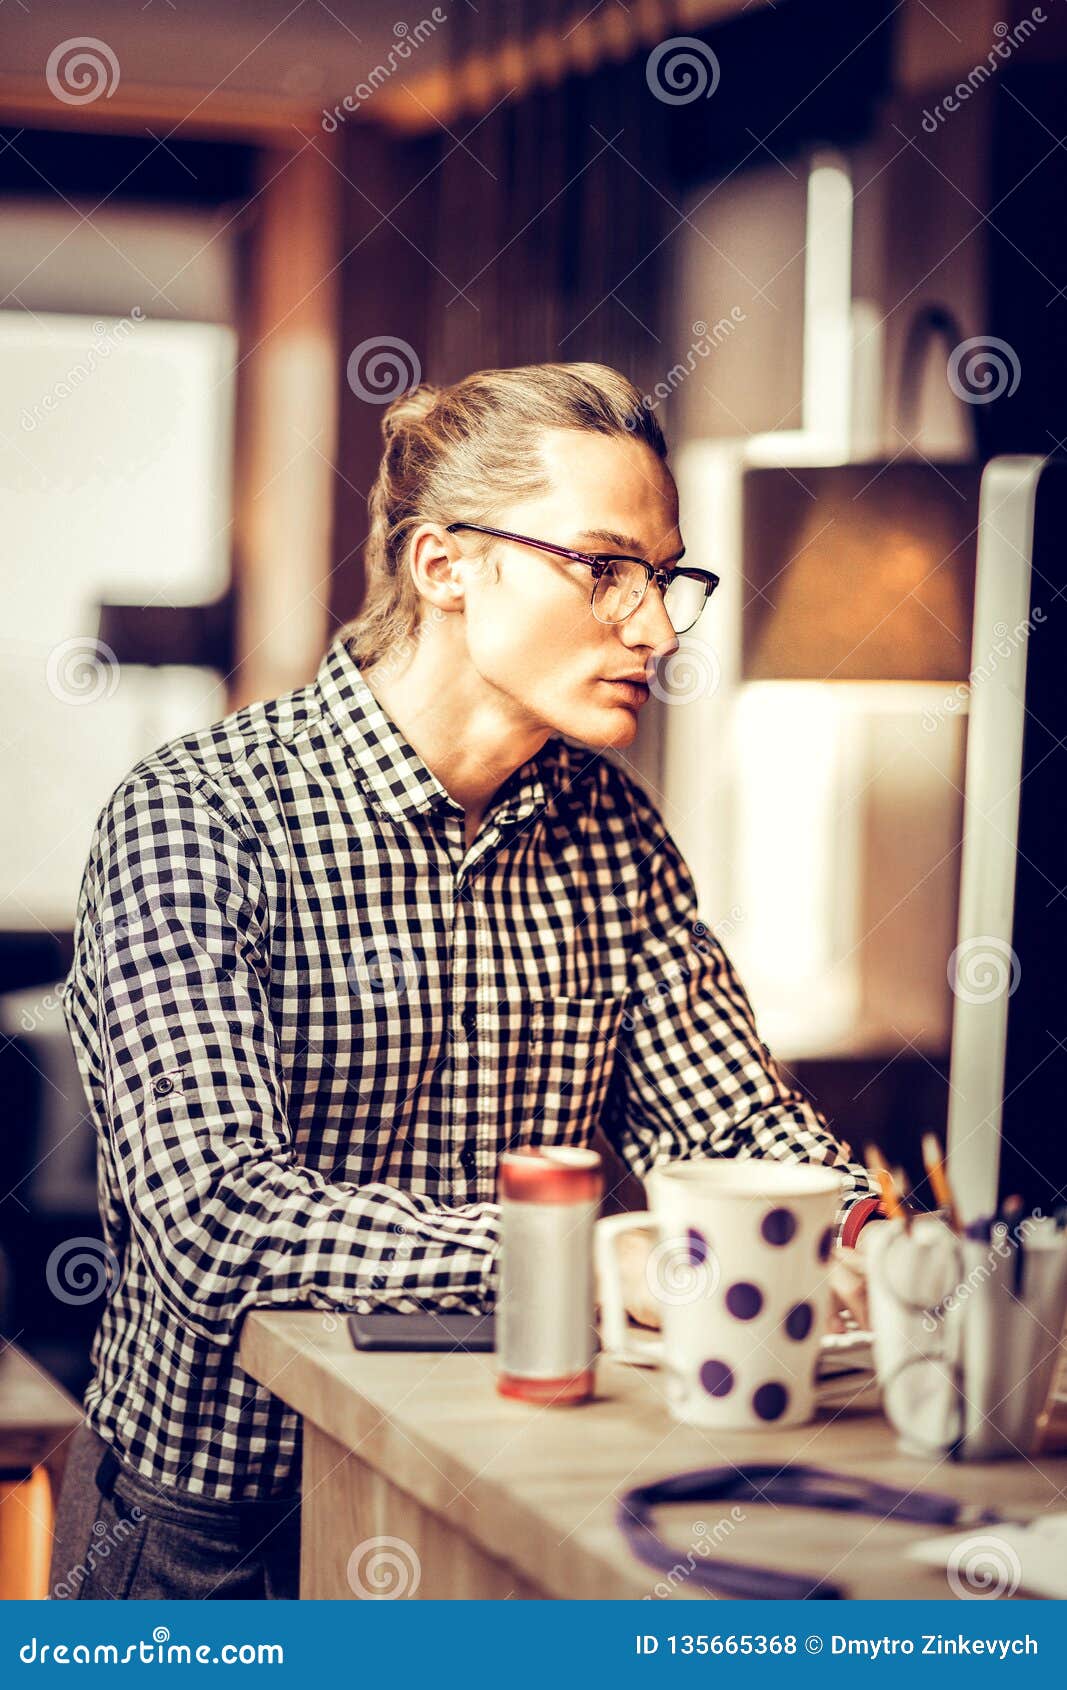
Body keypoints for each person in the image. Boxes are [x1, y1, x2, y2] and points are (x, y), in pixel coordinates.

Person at [51, 362, 884, 1601]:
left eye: (663, 579)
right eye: (602, 569)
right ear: (445, 567)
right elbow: (213, 1218)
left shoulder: (615, 833)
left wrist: (856, 1224)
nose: (653, 628)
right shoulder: (202, 813)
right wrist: (582, 1258)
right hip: (222, 1533)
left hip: (515, 1480)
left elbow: (734, 1123)